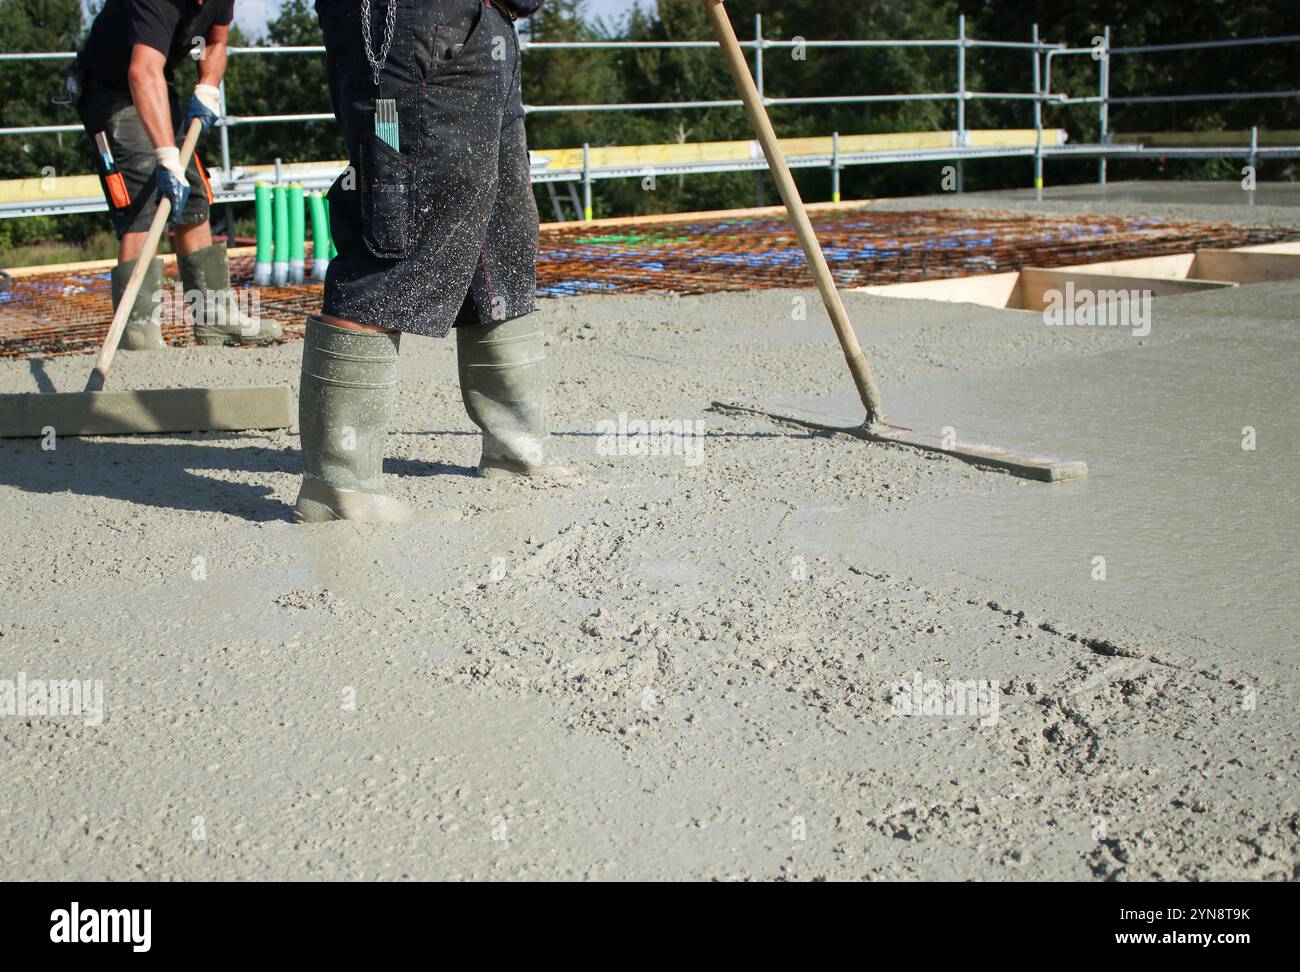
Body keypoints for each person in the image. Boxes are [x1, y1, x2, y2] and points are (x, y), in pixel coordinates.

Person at [297, 0, 569, 524]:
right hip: (412, 19)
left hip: (491, 25)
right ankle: (340, 487)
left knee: (501, 233)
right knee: (398, 229)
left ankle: (517, 452)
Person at [74, 0, 281, 350]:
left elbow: (215, 43)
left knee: (193, 195)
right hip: (109, 89)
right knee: (145, 199)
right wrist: (166, 156)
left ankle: (214, 317)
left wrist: (208, 86)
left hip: (156, 84)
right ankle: (138, 332)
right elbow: (141, 71)